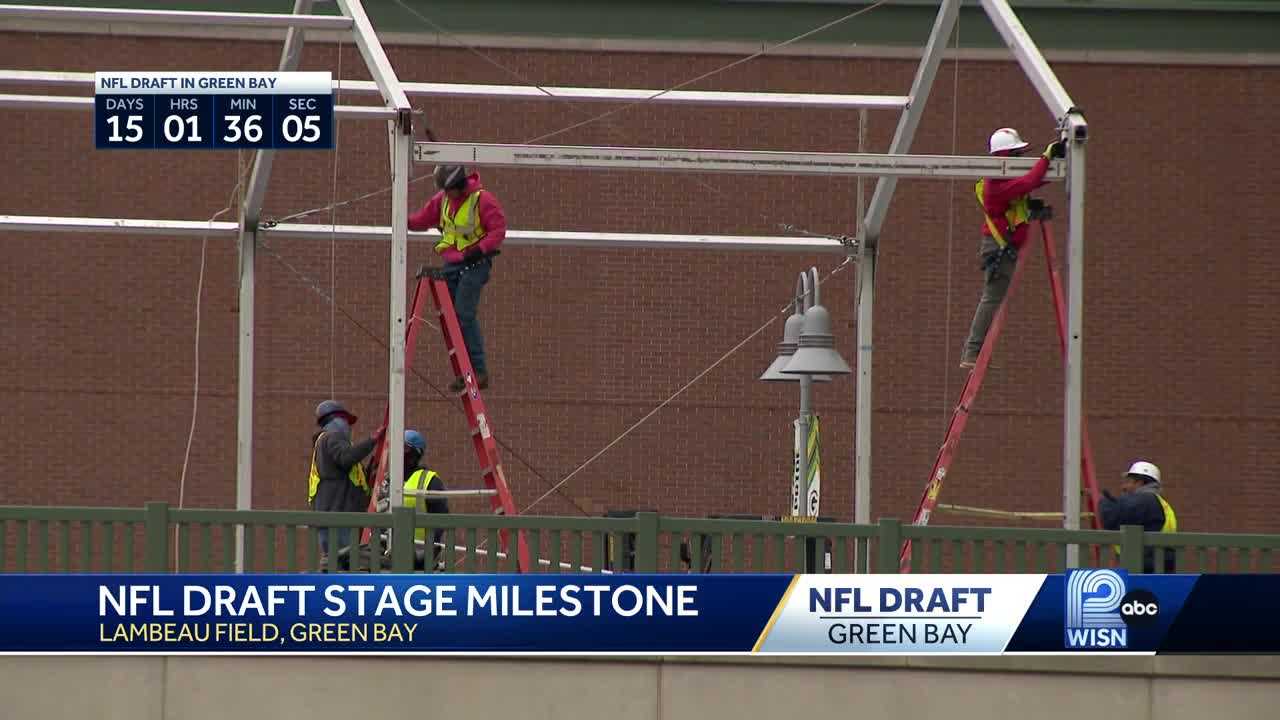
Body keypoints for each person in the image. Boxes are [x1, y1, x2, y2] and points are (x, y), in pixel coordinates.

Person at [960, 128, 1065, 369]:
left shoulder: (1006, 179)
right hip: (998, 248)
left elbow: (1034, 179)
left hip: (1003, 247)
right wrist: (1047, 158)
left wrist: (1056, 160)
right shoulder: (996, 185)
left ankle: (974, 351)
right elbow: (1030, 180)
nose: (1020, 160)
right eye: (1016, 155)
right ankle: (972, 352)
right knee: (992, 298)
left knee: (994, 298)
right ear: (1004, 156)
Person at [408, 164, 507, 393]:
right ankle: (465, 372)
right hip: (453, 263)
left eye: (447, 189)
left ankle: (478, 371)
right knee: (451, 319)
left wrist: (480, 249)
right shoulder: (442, 200)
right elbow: (423, 219)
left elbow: (498, 230)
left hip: (475, 263)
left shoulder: (482, 200)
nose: (445, 193)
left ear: (458, 186)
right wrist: (403, 219)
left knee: (464, 314)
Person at [307, 400, 380, 566]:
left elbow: (350, 475)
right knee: (347, 563)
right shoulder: (333, 437)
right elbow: (346, 458)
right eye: (347, 422)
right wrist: (372, 440)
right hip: (340, 516)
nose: (349, 427)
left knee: (337, 563)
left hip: (331, 514)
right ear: (336, 419)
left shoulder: (325, 444)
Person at [1099, 460, 1178, 573]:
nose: (1124, 487)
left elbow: (1110, 519)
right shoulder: (1158, 503)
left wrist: (1103, 501)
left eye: (1128, 482)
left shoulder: (1145, 500)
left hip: (1144, 570)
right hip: (1158, 566)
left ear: (1140, 483)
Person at [401, 429, 449, 570]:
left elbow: (440, 519)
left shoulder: (430, 481)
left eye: (404, 448)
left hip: (419, 555)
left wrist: (428, 552)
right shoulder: (389, 479)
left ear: (415, 454)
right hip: (386, 550)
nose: (397, 452)